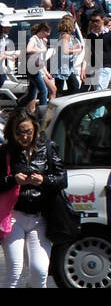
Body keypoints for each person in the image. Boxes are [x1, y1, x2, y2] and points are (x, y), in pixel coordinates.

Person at [1, 109, 67, 288]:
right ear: (12, 133)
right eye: (19, 133)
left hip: (41, 217)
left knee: (39, 271)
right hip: (14, 216)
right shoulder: (6, 151)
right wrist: (12, 180)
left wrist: (44, 180)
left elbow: (62, 179)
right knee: (14, 270)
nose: (24, 137)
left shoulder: (48, 147)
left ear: (35, 129)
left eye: (28, 131)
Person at [86, 14, 111, 90]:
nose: (95, 23)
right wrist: (83, 69)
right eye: (92, 21)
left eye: (97, 21)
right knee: (97, 91)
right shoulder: (90, 36)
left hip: (106, 66)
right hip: (94, 68)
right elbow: (87, 55)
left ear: (102, 20)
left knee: (99, 89)